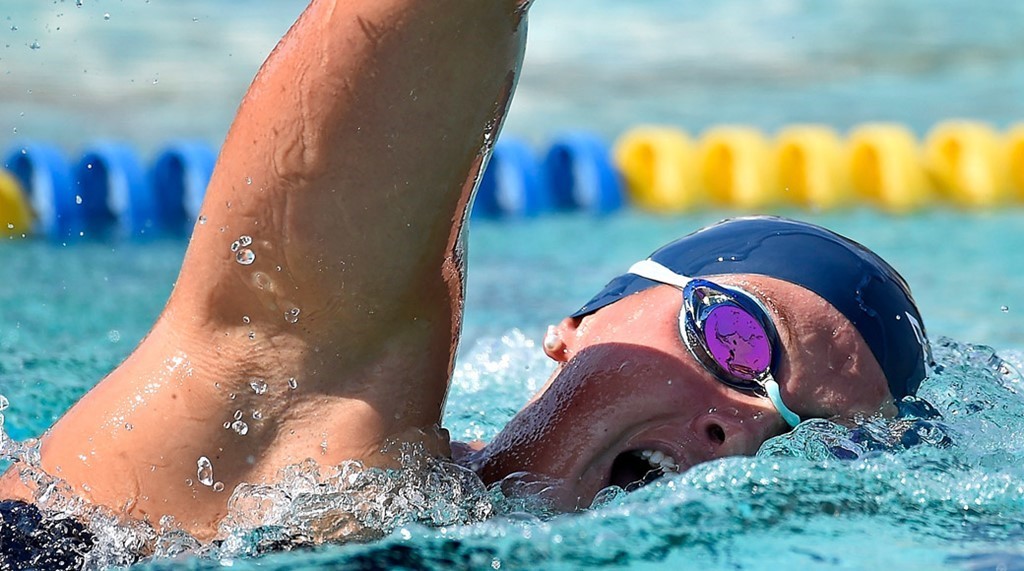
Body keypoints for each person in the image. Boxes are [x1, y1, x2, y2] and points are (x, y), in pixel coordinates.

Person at [0, 0, 929, 559]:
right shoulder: (306, 433)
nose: (749, 427)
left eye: (817, 442)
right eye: (738, 340)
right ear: (578, 325)